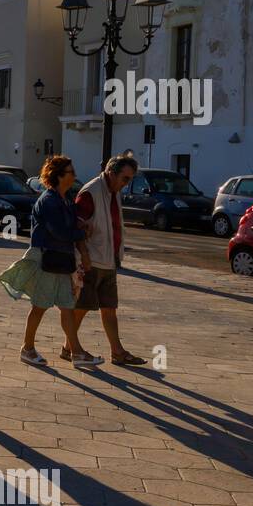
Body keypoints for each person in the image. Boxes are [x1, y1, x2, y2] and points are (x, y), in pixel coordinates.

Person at [0, 155, 101, 368]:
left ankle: (77, 352)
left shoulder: (64, 199)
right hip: (48, 259)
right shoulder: (49, 200)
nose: (74, 176)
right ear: (59, 176)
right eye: (71, 172)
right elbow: (60, 232)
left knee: (67, 306)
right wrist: (79, 231)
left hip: (61, 261)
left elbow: (70, 226)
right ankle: (27, 348)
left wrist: (79, 225)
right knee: (40, 306)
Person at [71, 153, 147, 366]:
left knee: (109, 307)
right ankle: (69, 347)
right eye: (125, 179)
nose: (126, 184)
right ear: (111, 173)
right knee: (82, 307)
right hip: (92, 260)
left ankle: (117, 351)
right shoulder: (91, 192)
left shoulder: (113, 191)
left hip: (108, 259)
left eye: (129, 179)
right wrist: (84, 256)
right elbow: (78, 225)